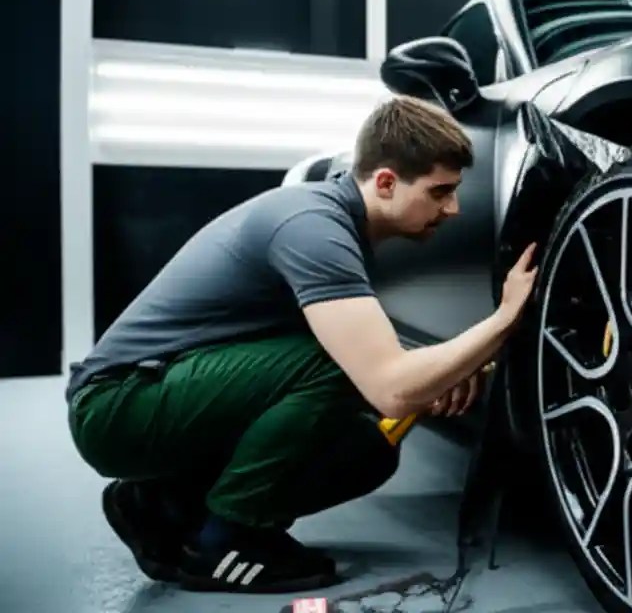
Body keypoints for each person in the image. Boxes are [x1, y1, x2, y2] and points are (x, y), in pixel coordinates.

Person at [64, 94, 539, 594]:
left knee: (368, 449)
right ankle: (225, 538)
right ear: (384, 182)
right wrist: (504, 320)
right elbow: (389, 388)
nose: (453, 208)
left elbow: (368, 384)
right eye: (440, 191)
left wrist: (437, 376)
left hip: (158, 394)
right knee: (340, 368)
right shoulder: (314, 229)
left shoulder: (336, 225)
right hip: (115, 405)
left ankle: (165, 502)